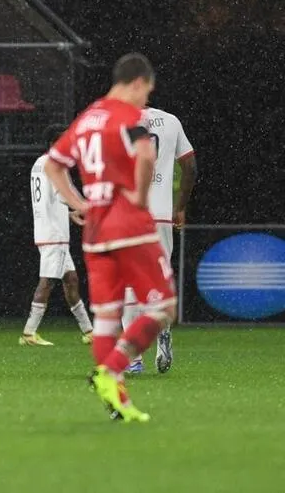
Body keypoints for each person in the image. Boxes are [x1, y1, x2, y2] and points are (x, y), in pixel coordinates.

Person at [45, 53, 176, 422]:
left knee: (106, 317)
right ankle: (111, 370)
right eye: (146, 92)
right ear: (137, 82)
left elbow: (54, 164)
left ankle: (116, 401)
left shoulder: (87, 118)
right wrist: (138, 194)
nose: (145, 101)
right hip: (129, 224)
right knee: (163, 307)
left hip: (95, 229)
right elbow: (146, 154)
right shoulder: (130, 116)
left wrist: (79, 202)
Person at [122, 106, 197, 374]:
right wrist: (179, 206)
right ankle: (163, 329)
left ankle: (133, 360)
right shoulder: (170, 120)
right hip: (162, 216)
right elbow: (190, 165)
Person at [20, 126, 95, 346]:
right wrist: (86, 207)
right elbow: (66, 192)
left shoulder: (39, 163)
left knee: (70, 279)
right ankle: (29, 333)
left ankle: (88, 331)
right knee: (47, 282)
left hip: (47, 229)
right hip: (55, 234)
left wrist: (71, 211)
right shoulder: (55, 165)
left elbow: (52, 197)